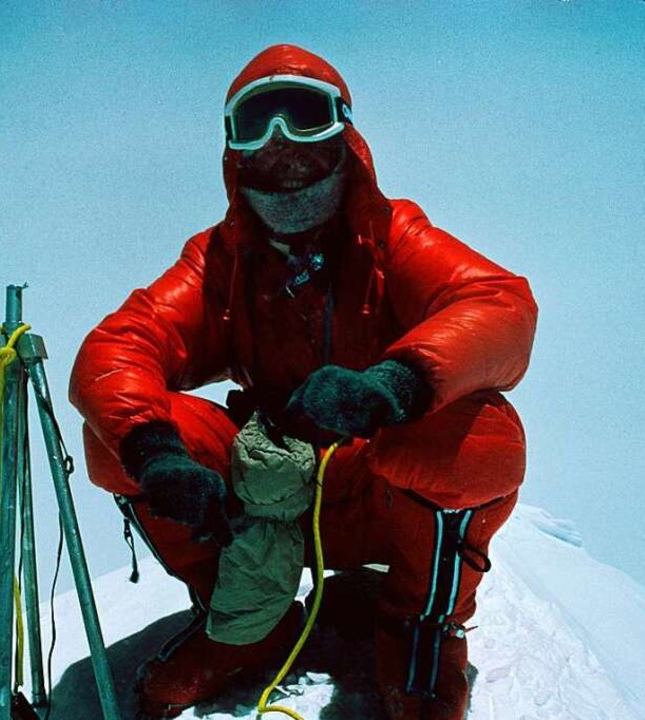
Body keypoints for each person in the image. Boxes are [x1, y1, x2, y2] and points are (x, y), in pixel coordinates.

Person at [69, 44, 537, 720]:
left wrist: (394, 382)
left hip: (374, 487)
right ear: (234, 154)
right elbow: (122, 345)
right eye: (257, 122)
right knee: (118, 433)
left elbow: (497, 305)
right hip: (271, 486)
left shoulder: (393, 236)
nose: (282, 145)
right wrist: (154, 451)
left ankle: (420, 633)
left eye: (303, 117)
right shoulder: (221, 261)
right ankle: (243, 623)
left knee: (478, 437)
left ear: (344, 135)